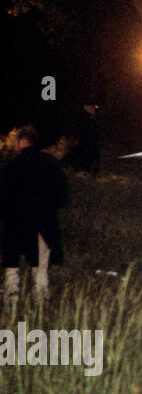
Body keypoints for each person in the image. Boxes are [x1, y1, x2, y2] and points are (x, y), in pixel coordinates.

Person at [1, 126, 68, 300]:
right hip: (43, 224)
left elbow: (4, 198)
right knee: (40, 270)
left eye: (15, 141)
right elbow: (62, 197)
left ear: (22, 142)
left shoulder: (13, 166)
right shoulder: (51, 163)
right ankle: (40, 308)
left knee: (12, 266)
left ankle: (11, 305)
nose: (13, 145)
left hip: (17, 224)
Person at [66, 102, 101, 175]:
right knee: (81, 152)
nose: (92, 109)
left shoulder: (93, 117)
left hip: (91, 138)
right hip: (83, 137)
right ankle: (79, 167)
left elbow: (96, 128)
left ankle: (89, 168)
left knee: (91, 153)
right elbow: (78, 126)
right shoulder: (82, 116)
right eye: (89, 107)